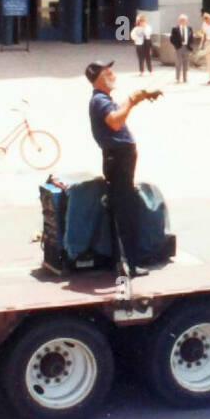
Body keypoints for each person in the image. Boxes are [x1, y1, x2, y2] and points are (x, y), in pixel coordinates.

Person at [86, 60, 158, 276]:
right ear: (99, 76)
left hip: (119, 159)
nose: (112, 73)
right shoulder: (99, 100)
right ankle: (129, 264)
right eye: (108, 70)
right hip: (117, 160)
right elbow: (115, 121)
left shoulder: (103, 99)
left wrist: (140, 96)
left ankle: (125, 261)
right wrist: (132, 101)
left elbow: (117, 112)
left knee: (124, 207)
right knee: (125, 211)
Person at [169, 14, 193, 84]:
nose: (182, 21)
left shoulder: (189, 28)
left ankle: (185, 78)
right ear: (179, 21)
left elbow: (191, 39)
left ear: (186, 21)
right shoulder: (175, 29)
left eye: (184, 20)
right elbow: (172, 39)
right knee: (178, 63)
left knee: (186, 63)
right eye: (181, 20)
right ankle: (177, 78)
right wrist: (176, 45)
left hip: (186, 47)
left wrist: (190, 47)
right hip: (179, 48)